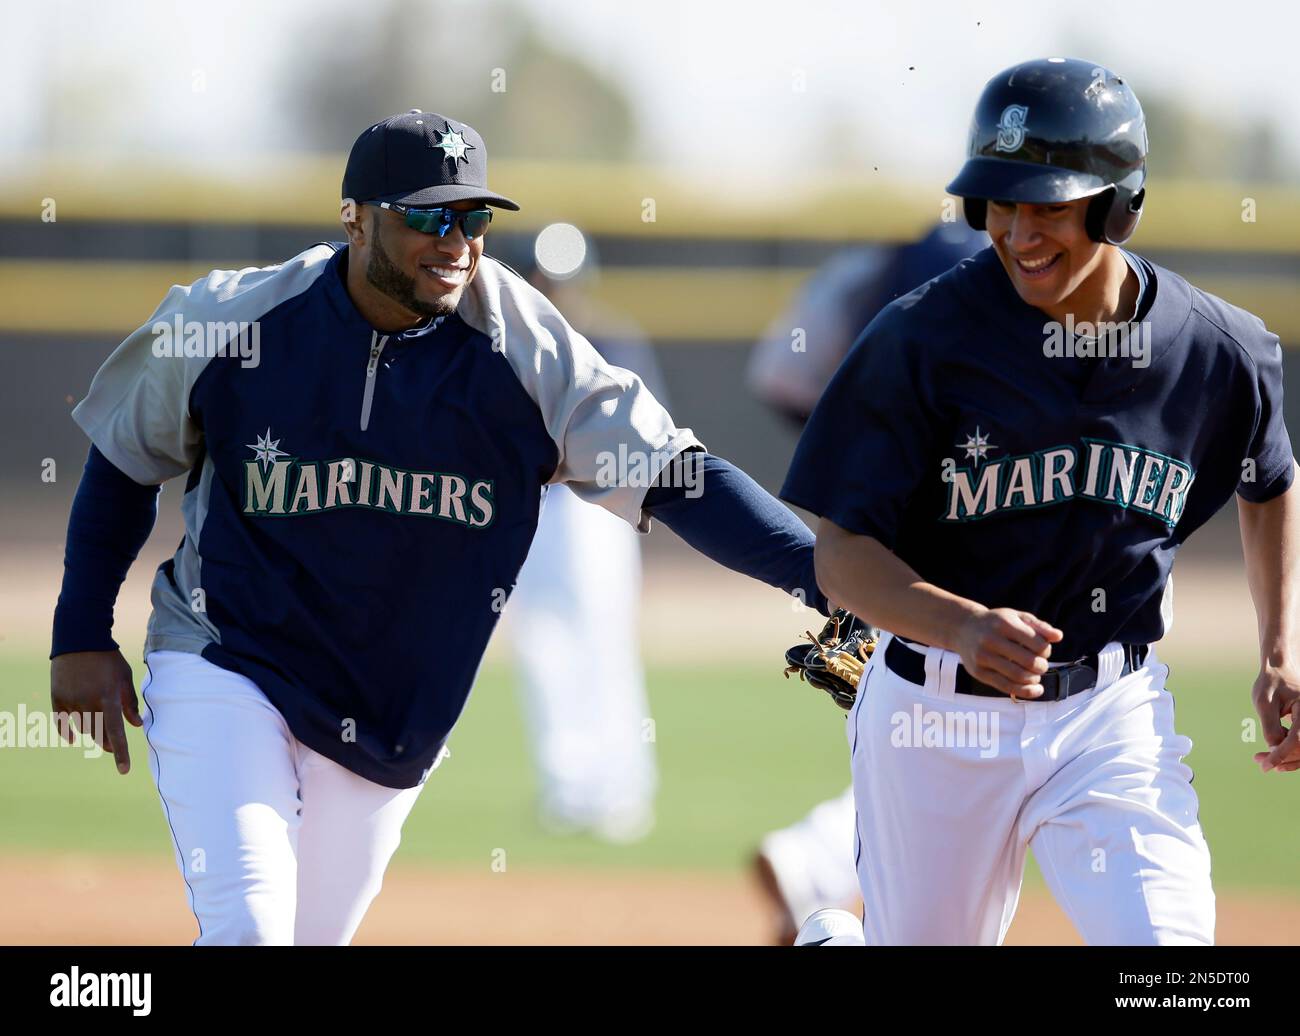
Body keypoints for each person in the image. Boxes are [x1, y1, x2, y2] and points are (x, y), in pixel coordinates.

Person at [49, 109, 827, 945]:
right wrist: (79, 634)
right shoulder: (233, 320)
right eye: (426, 215)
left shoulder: (523, 347)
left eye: (473, 217)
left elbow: (677, 475)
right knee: (251, 935)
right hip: (227, 663)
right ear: (355, 217)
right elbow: (125, 460)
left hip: (392, 718)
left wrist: (825, 579)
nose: (454, 239)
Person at [782, 58, 1299, 945]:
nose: (1019, 232)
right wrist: (962, 627)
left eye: (1048, 205)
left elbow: (1270, 481)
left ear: (1120, 204)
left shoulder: (1218, 350)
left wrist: (1282, 646)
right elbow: (842, 555)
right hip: (934, 717)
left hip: (1111, 717)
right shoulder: (920, 339)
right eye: (999, 203)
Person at [748, 222, 987, 943]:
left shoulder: (875, 261)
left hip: (878, 514)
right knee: (988, 720)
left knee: (934, 708)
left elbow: (778, 373)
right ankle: (825, 860)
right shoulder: (1038, 262)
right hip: (998, 509)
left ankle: (824, 860)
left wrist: (849, 450)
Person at [496, 224, 665, 842]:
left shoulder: (613, 338)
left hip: (597, 510)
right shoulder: (509, 343)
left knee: (603, 639)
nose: (554, 288)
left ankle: (622, 788)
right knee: (541, 643)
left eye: (562, 278)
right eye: (544, 277)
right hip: (532, 507)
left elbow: (652, 438)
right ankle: (567, 787)